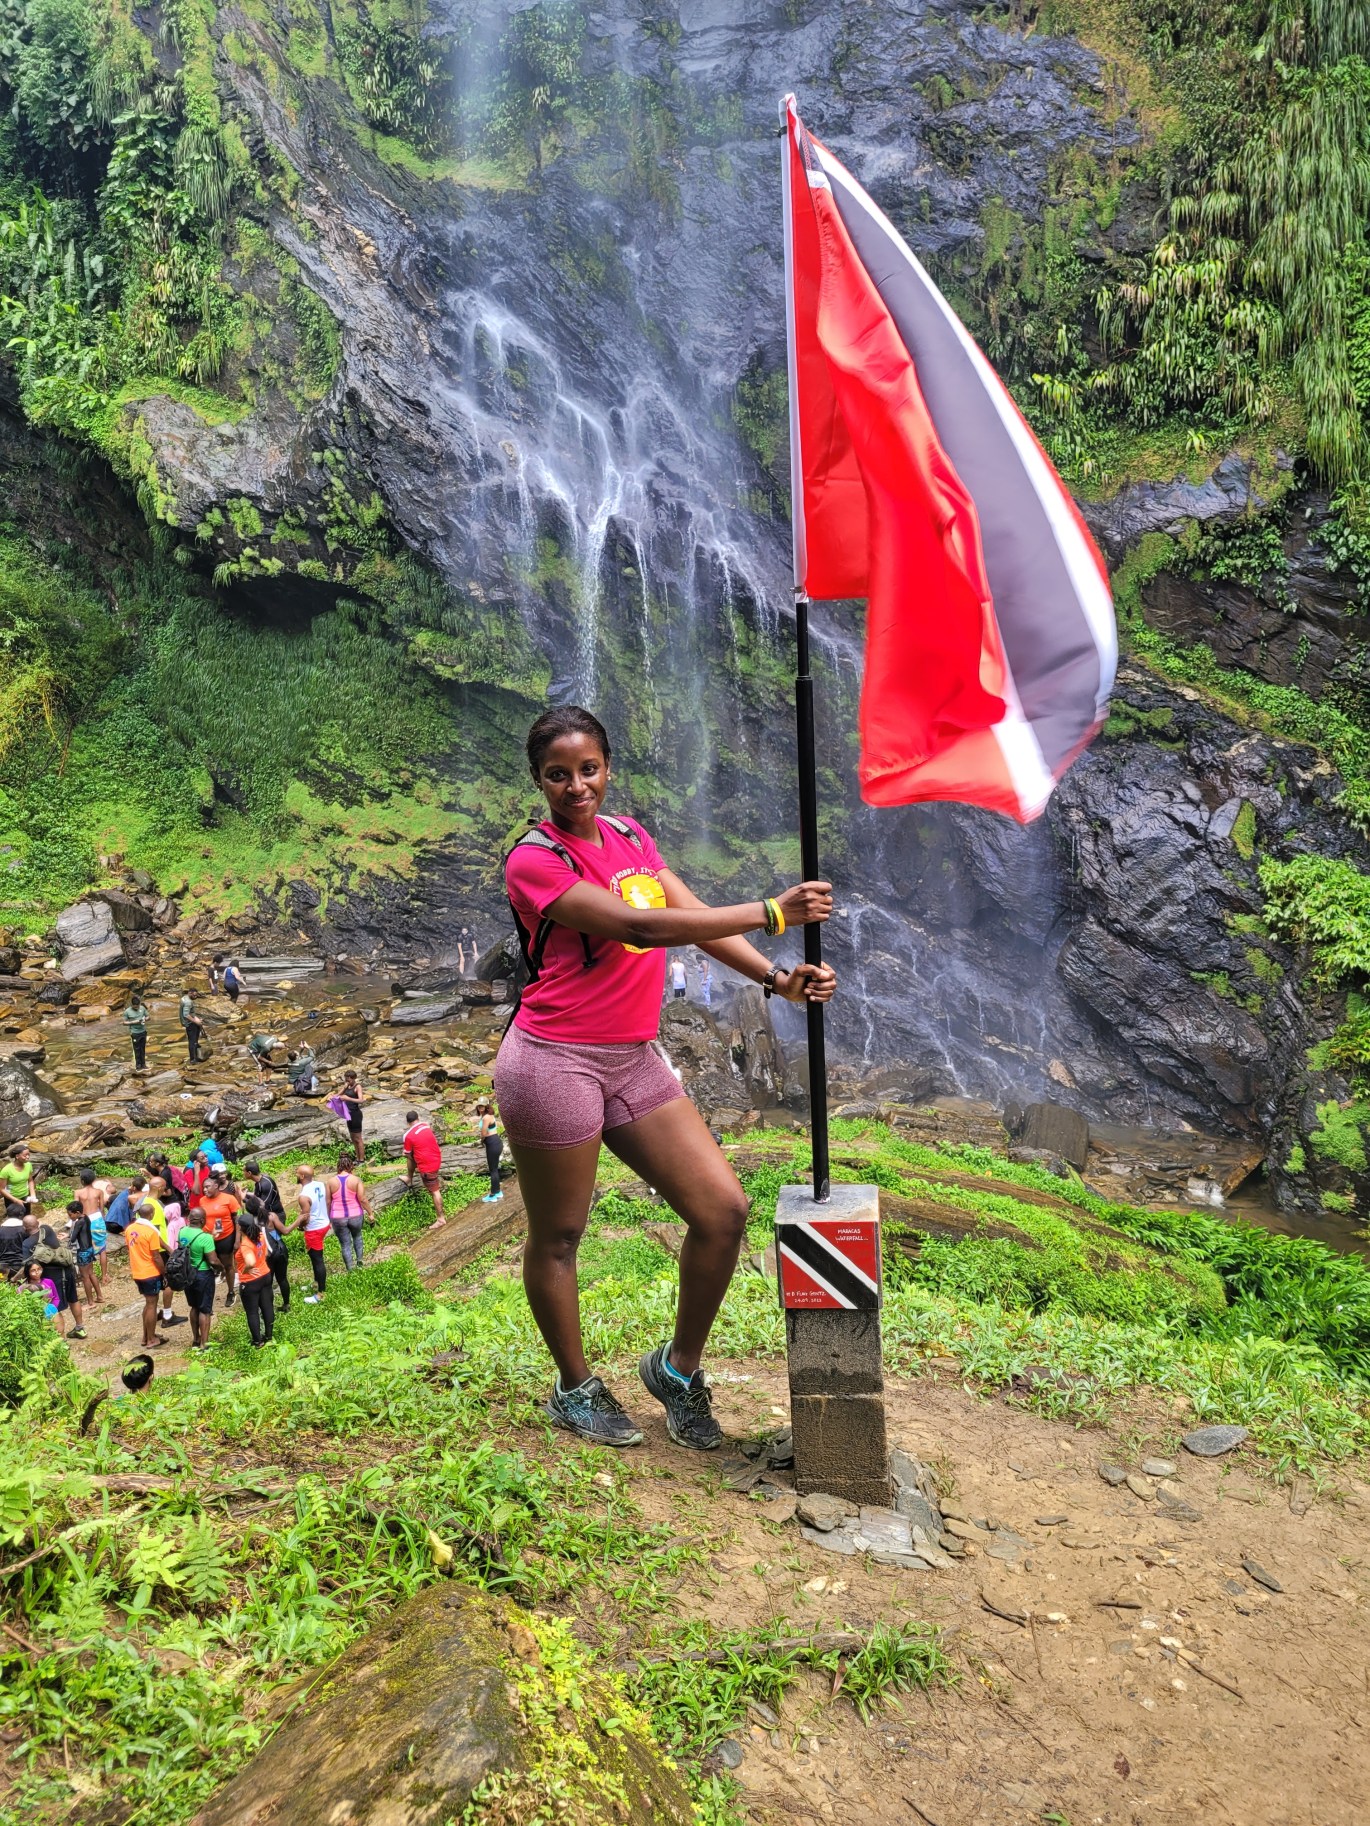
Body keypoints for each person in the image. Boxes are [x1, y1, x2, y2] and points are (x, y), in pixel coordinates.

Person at [496, 706, 835, 1450]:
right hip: (554, 1060)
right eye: (559, 774)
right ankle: (574, 1388)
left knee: (721, 1211)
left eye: (589, 769)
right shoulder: (535, 860)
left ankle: (676, 1371)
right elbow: (638, 927)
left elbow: (697, 920)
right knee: (559, 1235)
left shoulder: (629, 839)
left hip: (632, 1056)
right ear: (539, 781)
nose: (576, 786)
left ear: (607, 767)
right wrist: (776, 910)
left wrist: (777, 978)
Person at [25, 1213, 86, 1338]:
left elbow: (27, 1265)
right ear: (37, 1223)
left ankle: (61, 1339)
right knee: (73, 1299)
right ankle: (80, 1328)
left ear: (24, 1228)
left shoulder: (27, 1243)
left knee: (54, 1307)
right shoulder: (46, 1229)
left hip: (52, 1277)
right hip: (67, 1269)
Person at [123, 1204, 168, 1349]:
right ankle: (151, 1339)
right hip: (150, 1272)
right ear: (152, 1214)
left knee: (148, 1304)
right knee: (152, 1305)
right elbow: (156, 1256)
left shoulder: (129, 1229)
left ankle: (146, 1336)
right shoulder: (151, 1232)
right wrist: (164, 1273)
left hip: (137, 1272)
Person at [289, 1164, 330, 1302]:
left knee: (317, 1259)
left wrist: (301, 1226)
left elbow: (305, 1215)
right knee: (315, 1257)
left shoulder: (303, 1196)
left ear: (302, 1176)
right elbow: (327, 1201)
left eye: (297, 1173)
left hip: (314, 1229)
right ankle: (316, 1282)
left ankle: (320, 1294)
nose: (296, 1174)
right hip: (324, 1223)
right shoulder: (320, 1184)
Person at [234, 1211, 275, 1346]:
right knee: (267, 1306)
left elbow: (250, 1261)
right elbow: (266, 1253)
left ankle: (257, 1341)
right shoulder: (260, 1235)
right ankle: (269, 1336)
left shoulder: (246, 1244)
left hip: (251, 1281)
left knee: (252, 1312)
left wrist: (245, 1269)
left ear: (240, 1227)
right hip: (265, 1275)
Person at [325, 1155, 372, 1271]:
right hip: (355, 1214)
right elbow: (362, 1199)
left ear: (338, 1167)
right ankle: (360, 1262)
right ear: (351, 1166)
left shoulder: (330, 1182)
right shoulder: (356, 1180)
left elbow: (328, 1201)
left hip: (338, 1217)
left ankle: (350, 1270)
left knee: (345, 1244)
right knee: (357, 1237)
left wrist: (329, 1218)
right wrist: (370, 1213)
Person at [246, 1191, 290, 1314]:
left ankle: (268, 1309)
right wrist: (299, 1220)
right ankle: (286, 1304)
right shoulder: (271, 1216)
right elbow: (285, 1231)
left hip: (265, 1255)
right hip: (279, 1250)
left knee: (268, 1283)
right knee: (282, 1279)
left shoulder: (250, 1222)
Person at [201, 1170, 241, 1306]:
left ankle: (231, 1292)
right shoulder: (202, 1201)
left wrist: (237, 1239)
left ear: (216, 1186)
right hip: (208, 1239)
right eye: (204, 1188)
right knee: (211, 1266)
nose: (205, 1190)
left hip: (226, 1237)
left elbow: (238, 1218)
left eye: (207, 1187)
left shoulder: (229, 1199)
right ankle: (208, 1297)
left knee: (229, 1264)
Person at [181, 1205, 218, 1350]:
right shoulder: (205, 1238)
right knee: (205, 1309)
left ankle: (195, 1339)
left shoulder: (182, 1232)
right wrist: (221, 1268)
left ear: (190, 1219)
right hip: (203, 1274)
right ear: (203, 1221)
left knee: (194, 1306)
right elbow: (213, 1260)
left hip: (187, 1273)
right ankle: (204, 1343)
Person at [402, 1110, 444, 1229]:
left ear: (407, 1122)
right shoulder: (426, 1125)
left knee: (435, 1191)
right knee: (410, 1154)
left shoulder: (408, 1135)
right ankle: (409, 1178)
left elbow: (408, 1154)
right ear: (418, 1118)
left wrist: (407, 1155)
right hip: (436, 1159)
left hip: (427, 1166)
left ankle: (441, 1219)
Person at [66, 1199, 102, 1309]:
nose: (69, 1217)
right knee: (91, 1274)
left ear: (77, 1213)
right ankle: (99, 1296)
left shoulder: (78, 1222)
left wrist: (69, 1232)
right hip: (90, 1249)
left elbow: (72, 1239)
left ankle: (90, 1302)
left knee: (85, 1277)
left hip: (83, 1251)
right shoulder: (86, 1218)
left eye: (70, 1214)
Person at [475, 1097, 504, 1202]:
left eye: (482, 1106)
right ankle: (498, 1192)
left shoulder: (486, 1117)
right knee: (495, 1168)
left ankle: (492, 1195)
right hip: (496, 1142)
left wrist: (481, 1141)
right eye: (479, 1106)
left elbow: (483, 1133)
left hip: (492, 1143)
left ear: (486, 1106)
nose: (480, 1107)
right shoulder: (488, 1115)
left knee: (493, 1170)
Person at [0, 1144, 37, 1214]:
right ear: (17, 1156)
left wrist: (32, 1194)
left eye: (28, 1154)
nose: (28, 1157)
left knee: (26, 1216)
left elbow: (30, 1180)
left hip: (25, 1196)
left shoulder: (28, 1165)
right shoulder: (6, 1170)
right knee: (15, 1219)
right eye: (25, 1155)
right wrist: (16, 1200)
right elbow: (1, 1189)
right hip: (11, 1198)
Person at [338, 1070, 365, 1165]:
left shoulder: (357, 1086)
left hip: (355, 1114)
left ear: (353, 1078)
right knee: (353, 1138)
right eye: (346, 1079)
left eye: (349, 1080)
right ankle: (357, 1159)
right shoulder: (347, 1086)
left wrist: (348, 1098)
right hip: (348, 1115)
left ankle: (362, 1160)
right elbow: (338, 1095)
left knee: (358, 1138)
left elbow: (361, 1100)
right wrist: (344, 1087)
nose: (347, 1081)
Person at [123, 993, 150, 1072]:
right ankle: (138, 1066)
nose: (137, 1007)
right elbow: (124, 1023)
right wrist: (134, 1022)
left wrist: (145, 1019)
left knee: (143, 1049)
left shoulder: (142, 1008)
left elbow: (148, 1017)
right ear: (132, 1005)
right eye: (135, 1006)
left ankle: (144, 1065)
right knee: (137, 1049)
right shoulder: (127, 1011)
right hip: (135, 1032)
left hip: (143, 1031)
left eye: (138, 1006)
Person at [180, 988, 204, 1064]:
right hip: (190, 1024)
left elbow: (190, 1013)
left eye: (196, 995)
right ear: (190, 993)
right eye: (194, 995)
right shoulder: (188, 1002)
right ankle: (193, 1059)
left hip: (190, 1021)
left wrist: (197, 1019)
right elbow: (186, 1015)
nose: (195, 997)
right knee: (192, 1041)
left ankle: (196, 1048)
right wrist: (196, 1021)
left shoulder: (184, 998)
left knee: (194, 1040)